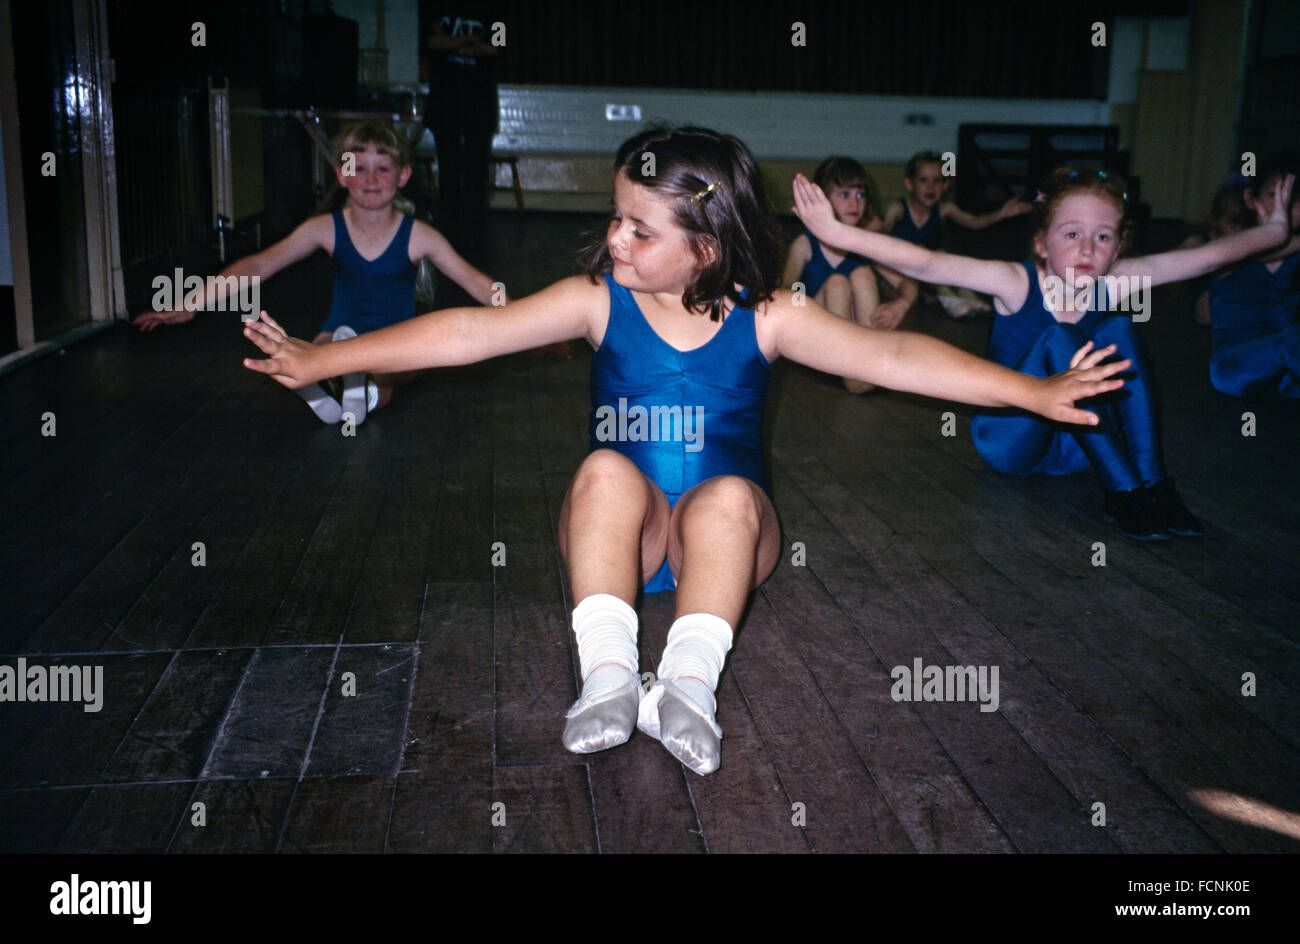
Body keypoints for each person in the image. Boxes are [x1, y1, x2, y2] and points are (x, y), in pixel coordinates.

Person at [243, 127, 1128, 776]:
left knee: (730, 498)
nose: (615, 240)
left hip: (728, 544)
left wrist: (1033, 391)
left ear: (706, 247)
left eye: (640, 230)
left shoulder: (771, 316)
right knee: (601, 470)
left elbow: (896, 358)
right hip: (625, 541)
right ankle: (609, 675)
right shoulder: (598, 302)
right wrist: (330, 356)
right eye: (617, 219)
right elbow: (471, 333)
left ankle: (689, 686)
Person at [794, 166, 1294, 540]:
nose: (1086, 249)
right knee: (1059, 339)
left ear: (1118, 249)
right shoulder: (1014, 283)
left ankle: (1152, 484)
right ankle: (1123, 493)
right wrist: (836, 233)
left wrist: (1273, 232)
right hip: (1012, 440)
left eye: (1103, 238)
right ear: (1041, 243)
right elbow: (927, 262)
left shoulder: (1117, 282)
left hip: (1076, 451)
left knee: (1120, 325)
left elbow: (1202, 257)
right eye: (1071, 234)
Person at [135, 121, 501, 423]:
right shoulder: (325, 228)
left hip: (396, 343)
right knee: (315, 351)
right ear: (342, 175)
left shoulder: (419, 235)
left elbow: (475, 281)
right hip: (336, 335)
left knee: (386, 374)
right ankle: (335, 388)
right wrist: (191, 301)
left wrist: (522, 316)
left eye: (383, 169)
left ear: (403, 175)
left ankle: (355, 390)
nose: (370, 178)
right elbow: (260, 264)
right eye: (358, 168)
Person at [782, 156, 917, 393]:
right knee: (837, 283)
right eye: (844, 195)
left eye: (860, 195)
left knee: (863, 274)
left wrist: (902, 304)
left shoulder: (864, 245)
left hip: (856, 333)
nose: (855, 203)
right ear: (822, 199)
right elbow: (784, 294)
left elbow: (907, 282)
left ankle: (867, 364)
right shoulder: (804, 245)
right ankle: (853, 369)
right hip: (817, 340)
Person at [882, 151, 1031, 318]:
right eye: (923, 180)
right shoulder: (898, 208)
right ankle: (952, 300)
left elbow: (974, 222)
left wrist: (1000, 214)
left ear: (945, 185)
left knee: (942, 257)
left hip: (928, 273)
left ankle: (965, 296)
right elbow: (883, 232)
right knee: (933, 259)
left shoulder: (945, 209)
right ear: (909, 184)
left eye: (937, 181)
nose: (931, 187)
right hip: (901, 275)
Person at [1208, 154, 1300, 398]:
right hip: (1237, 366)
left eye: (1295, 200)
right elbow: (1252, 254)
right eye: (1274, 196)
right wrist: (1275, 234)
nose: (1286, 208)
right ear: (1251, 198)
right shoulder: (1231, 246)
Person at [1179, 180, 1250, 326]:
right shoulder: (1198, 243)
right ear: (1214, 220)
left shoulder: (1250, 244)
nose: (1240, 229)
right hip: (1205, 307)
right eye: (1234, 221)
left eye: (1246, 223)